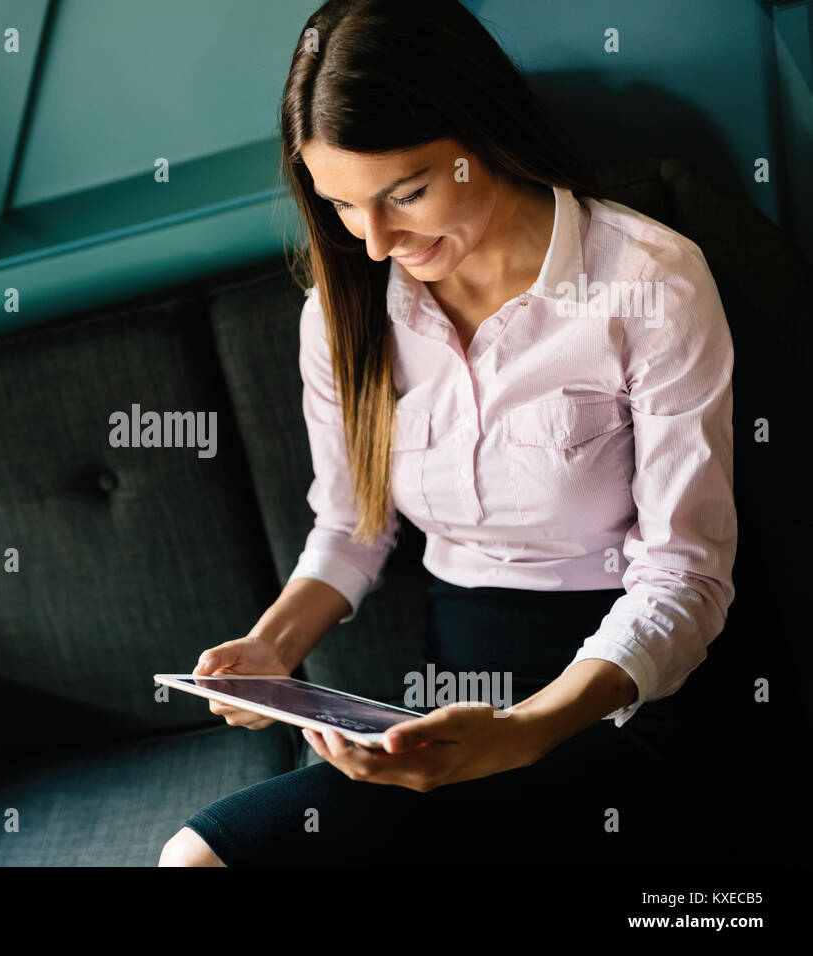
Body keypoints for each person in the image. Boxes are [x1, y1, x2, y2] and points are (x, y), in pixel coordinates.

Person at [160, 0, 738, 867]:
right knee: (196, 858)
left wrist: (525, 731)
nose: (379, 242)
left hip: (628, 695)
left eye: (408, 193)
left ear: (480, 132)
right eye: (343, 207)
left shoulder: (650, 282)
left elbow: (685, 576)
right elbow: (352, 531)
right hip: (454, 688)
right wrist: (273, 649)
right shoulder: (343, 310)